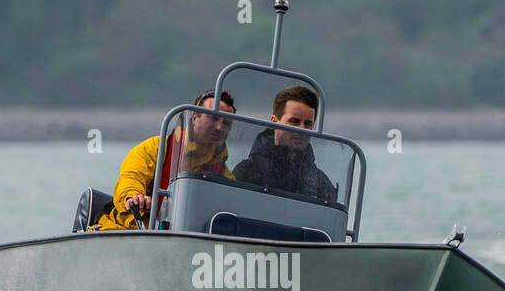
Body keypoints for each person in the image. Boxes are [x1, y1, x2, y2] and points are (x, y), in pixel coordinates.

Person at [94, 91, 236, 230]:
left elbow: (236, 205)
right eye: (213, 118)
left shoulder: (223, 174)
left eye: (226, 123)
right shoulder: (155, 148)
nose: (219, 127)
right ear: (194, 117)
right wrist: (134, 197)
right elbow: (131, 177)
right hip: (125, 230)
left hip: (182, 240)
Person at [231, 84, 337, 204]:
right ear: (274, 121)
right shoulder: (246, 172)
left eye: (308, 123)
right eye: (294, 121)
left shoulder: (321, 183)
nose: (301, 129)